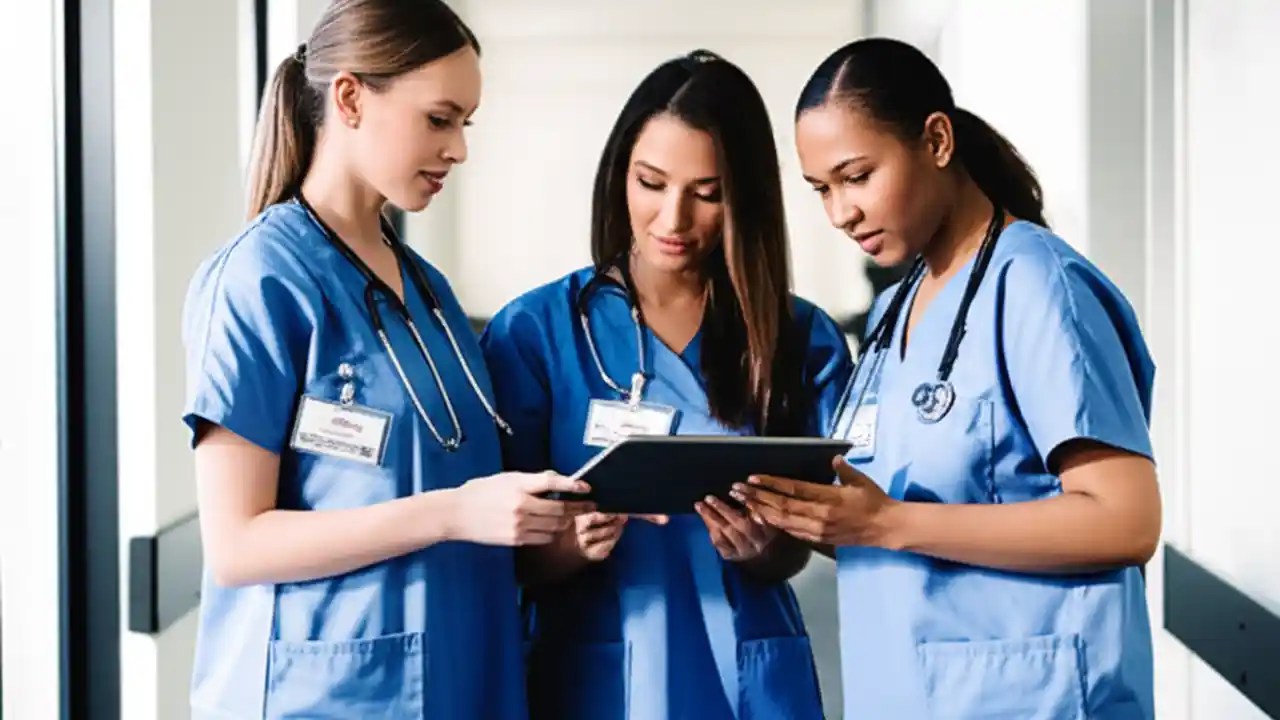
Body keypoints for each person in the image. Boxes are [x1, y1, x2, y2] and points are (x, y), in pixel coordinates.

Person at [180, 2, 593, 717]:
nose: (459, 149)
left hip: (468, 671)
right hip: (335, 693)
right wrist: (454, 513)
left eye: (465, 123)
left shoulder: (427, 291)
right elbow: (237, 544)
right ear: (349, 98)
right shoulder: (259, 280)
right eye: (440, 119)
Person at [734, 38, 1161, 719]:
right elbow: (900, 524)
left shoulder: (1038, 287)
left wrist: (888, 524)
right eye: (821, 189)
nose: (840, 212)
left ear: (936, 140)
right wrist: (803, 523)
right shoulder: (893, 310)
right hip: (906, 690)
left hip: (1032, 696)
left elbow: (1126, 519)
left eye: (857, 176)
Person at [479, 50, 852, 720]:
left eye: (707, 194)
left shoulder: (798, 337)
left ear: (746, 197)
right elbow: (487, 538)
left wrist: (774, 550)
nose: (673, 220)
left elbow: (842, 518)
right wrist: (563, 550)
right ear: (619, 172)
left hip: (750, 670)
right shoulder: (535, 333)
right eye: (651, 182)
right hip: (592, 675)